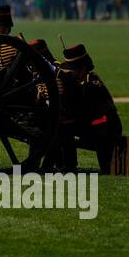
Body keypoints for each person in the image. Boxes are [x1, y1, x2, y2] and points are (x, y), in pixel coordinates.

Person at [52, 43, 121, 172]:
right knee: (61, 127)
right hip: (92, 124)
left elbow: (78, 110)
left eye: (72, 71)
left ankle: (69, 166)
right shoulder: (80, 82)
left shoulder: (91, 84)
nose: (70, 74)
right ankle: (65, 165)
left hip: (104, 128)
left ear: (83, 69)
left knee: (64, 128)